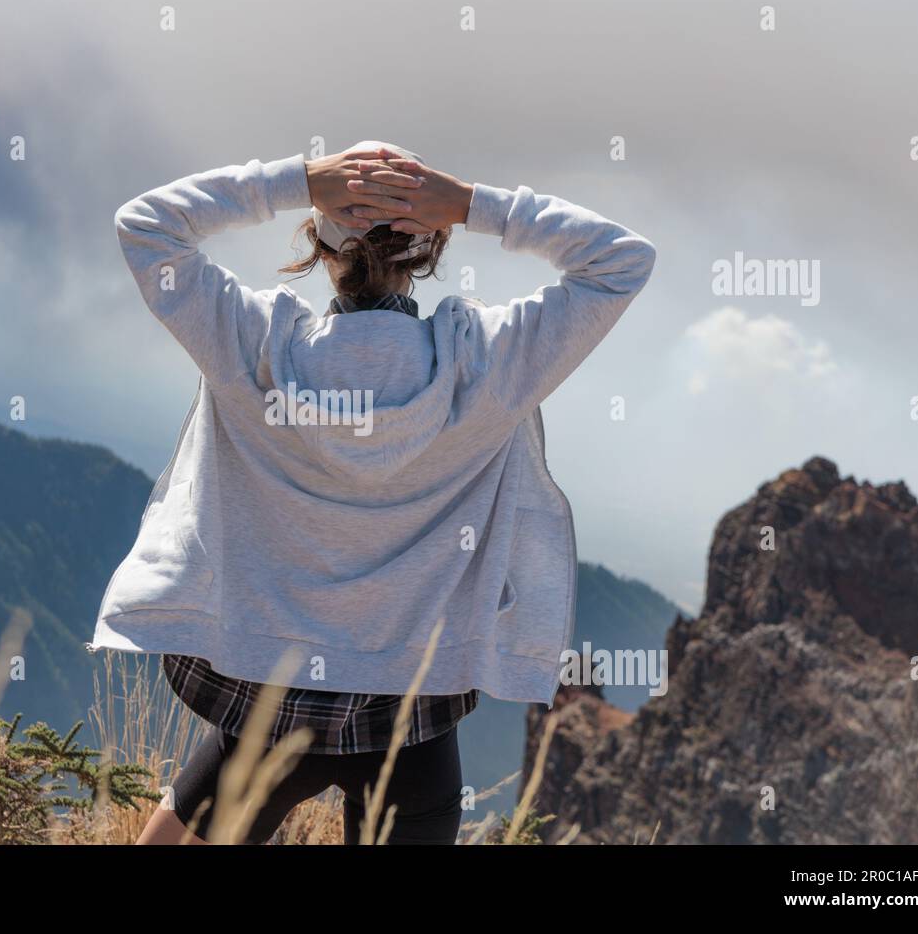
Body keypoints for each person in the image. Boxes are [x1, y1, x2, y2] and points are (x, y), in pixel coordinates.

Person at [89, 140, 656, 844]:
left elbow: (145, 224)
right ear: (428, 251)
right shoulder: (486, 365)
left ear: (323, 249)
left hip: (265, 696)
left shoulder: (252, 345)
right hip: (411, 717)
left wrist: (296, 180)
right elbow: (622, 260)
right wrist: (473, 203)